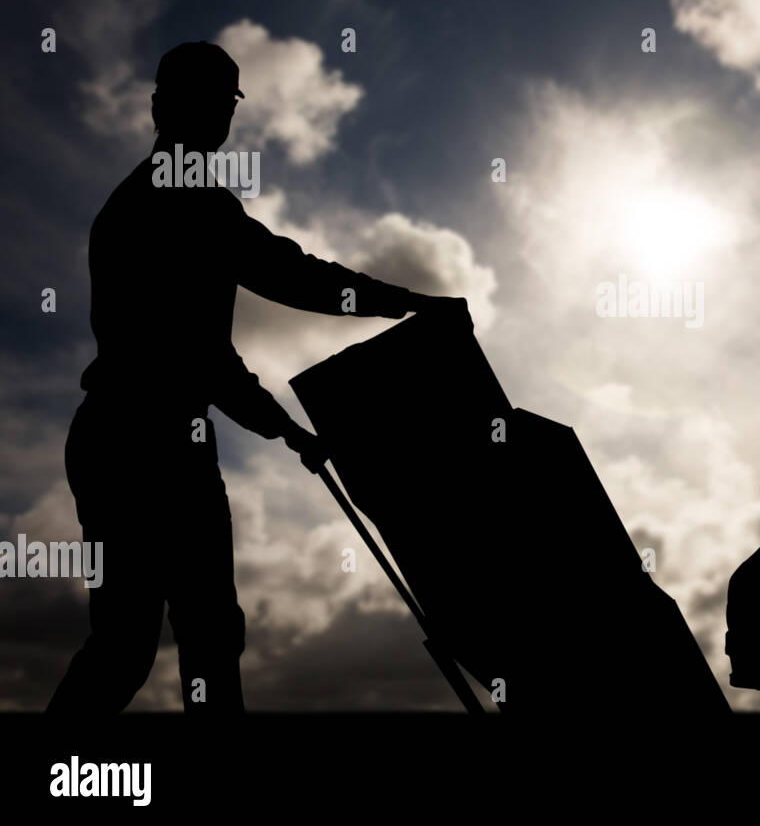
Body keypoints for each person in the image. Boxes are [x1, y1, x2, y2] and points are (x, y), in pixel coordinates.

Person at [46, 40, 466, 714]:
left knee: (155, 641)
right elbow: (283, 278)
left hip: (134, 434)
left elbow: (200, 352)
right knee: (156, 641)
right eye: (207, 98)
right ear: (162, 107)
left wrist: (282, 429)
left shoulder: (151, 202)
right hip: (142, 438)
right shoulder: (182, 199)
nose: (219, 113)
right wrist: (409, 301)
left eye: (226, 100)